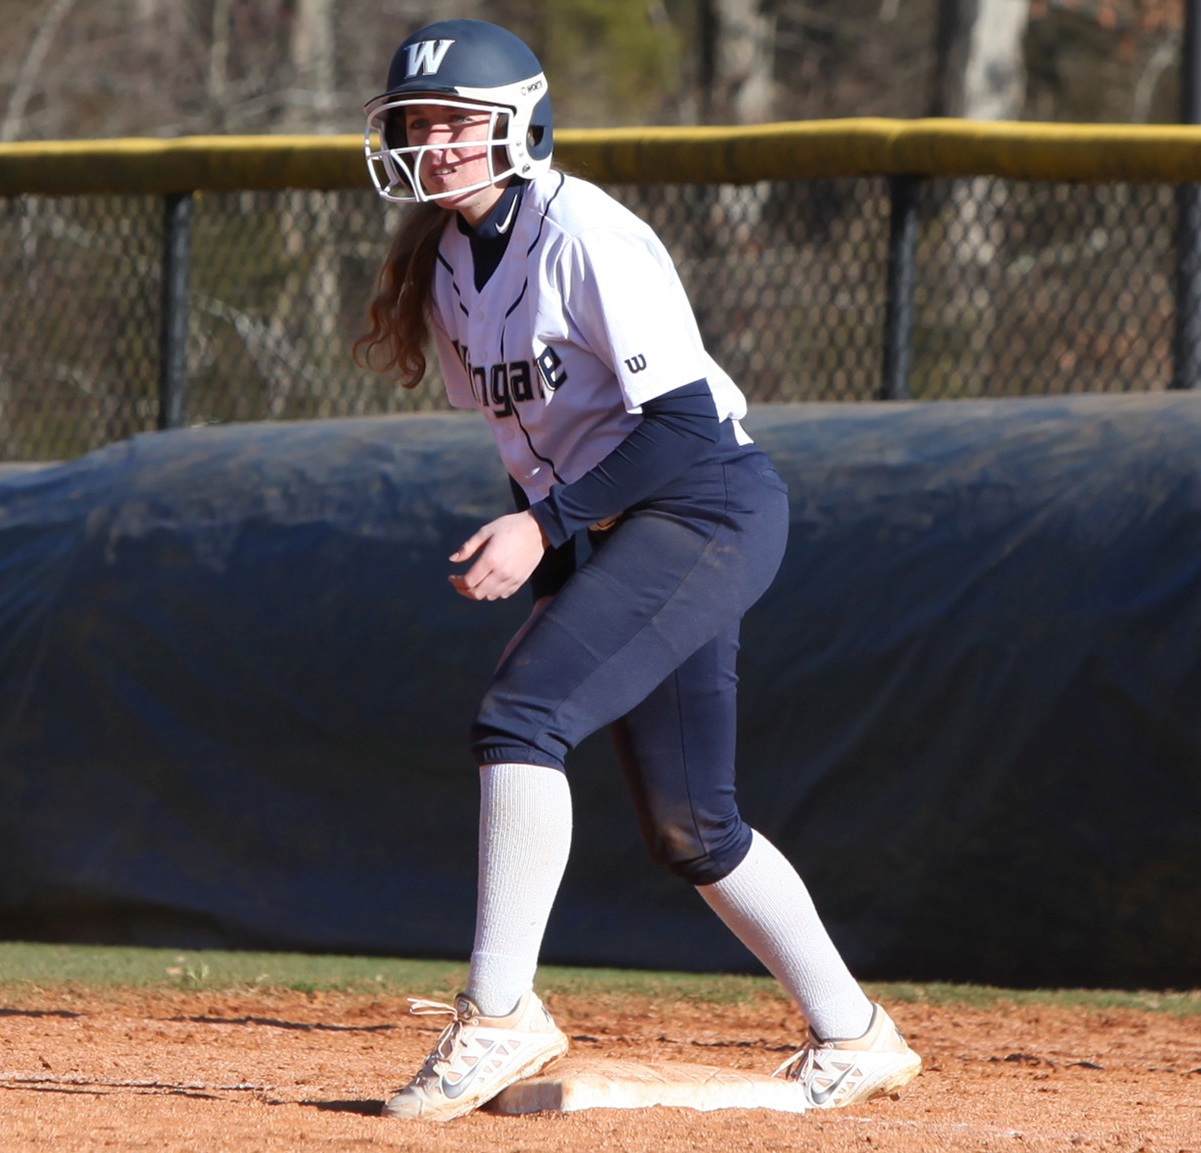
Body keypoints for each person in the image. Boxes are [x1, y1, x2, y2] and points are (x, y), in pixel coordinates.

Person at [352, 17, 920, 1122]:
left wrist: (545, 527)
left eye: (458, 122)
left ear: (519, 122)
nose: (435, 142)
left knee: (518, 716)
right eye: (418, 124)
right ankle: (855, 1036)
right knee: (691, 827)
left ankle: (501, 1013)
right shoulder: (448, 266)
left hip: (704, 506)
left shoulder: (588, 233)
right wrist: (554, 537)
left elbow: (683, 432)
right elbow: (535, 444)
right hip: (627, 528)